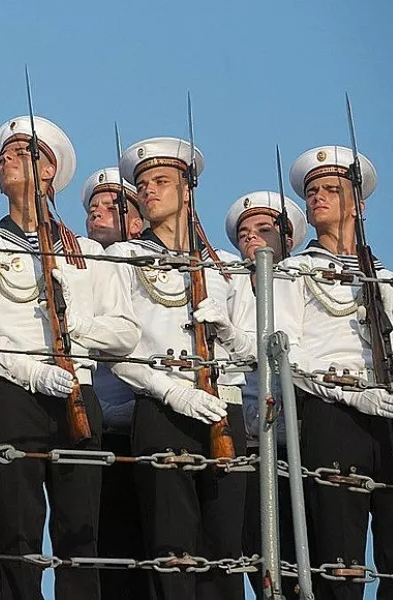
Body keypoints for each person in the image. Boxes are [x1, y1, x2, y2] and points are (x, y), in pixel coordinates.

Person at [0, 115, 140, 600]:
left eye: (23, 153)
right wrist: (29, 371)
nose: (8, 160)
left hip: (77, 390)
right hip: (13, 395)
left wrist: (75, 326)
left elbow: (125, 332)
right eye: (4, 155)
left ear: (50, 170)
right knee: (17, 534)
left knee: (81, 534)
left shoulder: (85, 252)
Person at [108, 136, 256, 599]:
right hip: (162, 408)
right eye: (143, 185)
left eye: (161, 181)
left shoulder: (226, 267)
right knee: (171, 553)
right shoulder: (123, 258)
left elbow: (258, 351)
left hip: (223, 407)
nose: (149, 191)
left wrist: (228, 331)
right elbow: (117, 351)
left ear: (187, 190)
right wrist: (171, 390)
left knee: (224, 555)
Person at [274, 146, 393, 600]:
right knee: (339, 556)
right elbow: (286, 354)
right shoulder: (295, 271)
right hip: (332, 413)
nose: (317, 198)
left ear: (357, 204)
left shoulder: (383, 277)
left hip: (387, 413)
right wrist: (351, 392)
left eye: (331, 190)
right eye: (312, 192)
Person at [223, 189, 306, 600]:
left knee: (299, 553)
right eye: (243, 233)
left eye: (263, 229)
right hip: (247, 438)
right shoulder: (228, 289)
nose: (251, 237)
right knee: (255, 553)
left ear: (287, 241)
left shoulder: (304, 285)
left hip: (298, 439)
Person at [81, 166, 149, 600]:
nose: (98, 212)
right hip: (99, 427)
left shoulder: (152, 270)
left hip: (148, 423)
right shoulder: (79, 265)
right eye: (93, 206)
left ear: (138, 223)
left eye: (112, 206)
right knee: (104, 550)